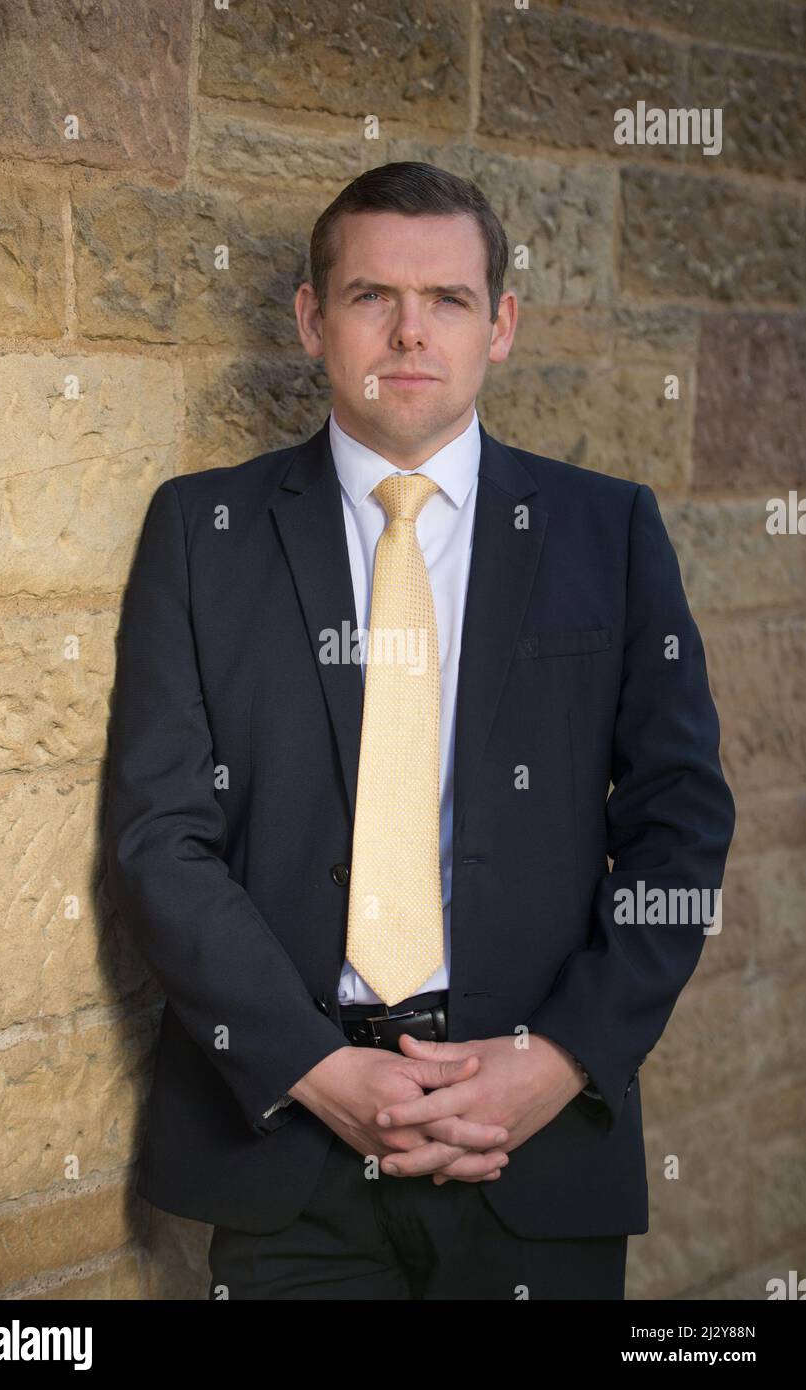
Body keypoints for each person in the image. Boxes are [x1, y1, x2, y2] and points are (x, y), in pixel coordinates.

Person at [103, 161, 736, 1300]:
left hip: (528, 1142)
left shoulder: (609, 532)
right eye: (368, 297)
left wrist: (559, 1061)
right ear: (311, 318)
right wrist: (311, 1067)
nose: (408, 332)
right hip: (286, 1145)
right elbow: (160, 842)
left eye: (445, 299)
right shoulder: (205, 531)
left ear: (499, 326)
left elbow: (678, 834)